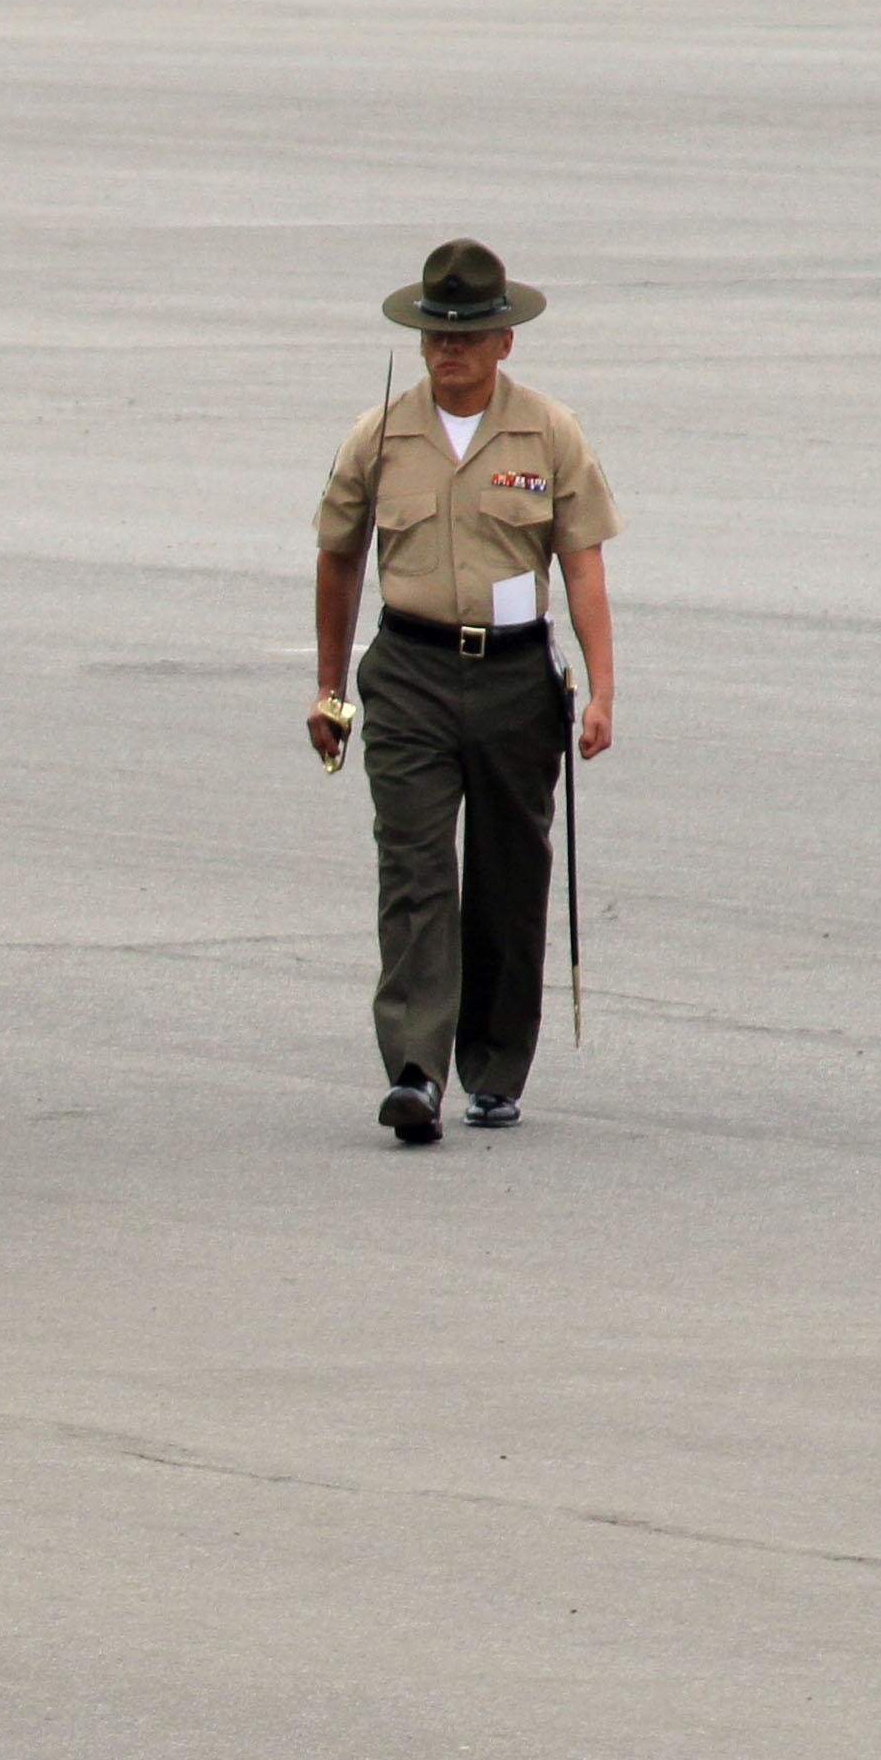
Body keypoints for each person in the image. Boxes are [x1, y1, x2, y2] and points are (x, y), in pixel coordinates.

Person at [311, 238, 615, 1145]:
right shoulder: (379, 436)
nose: (449, 349)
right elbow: (338, 560)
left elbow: (583, 566)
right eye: (436, 334)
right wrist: (329, 691)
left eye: (469, 335)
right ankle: (415, 1069)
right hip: (409, 673)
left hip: (515, 678)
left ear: (504, 341)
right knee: (413, 869)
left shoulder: (549, 433)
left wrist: (602, 690)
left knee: (508, 876)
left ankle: (493, 1068)